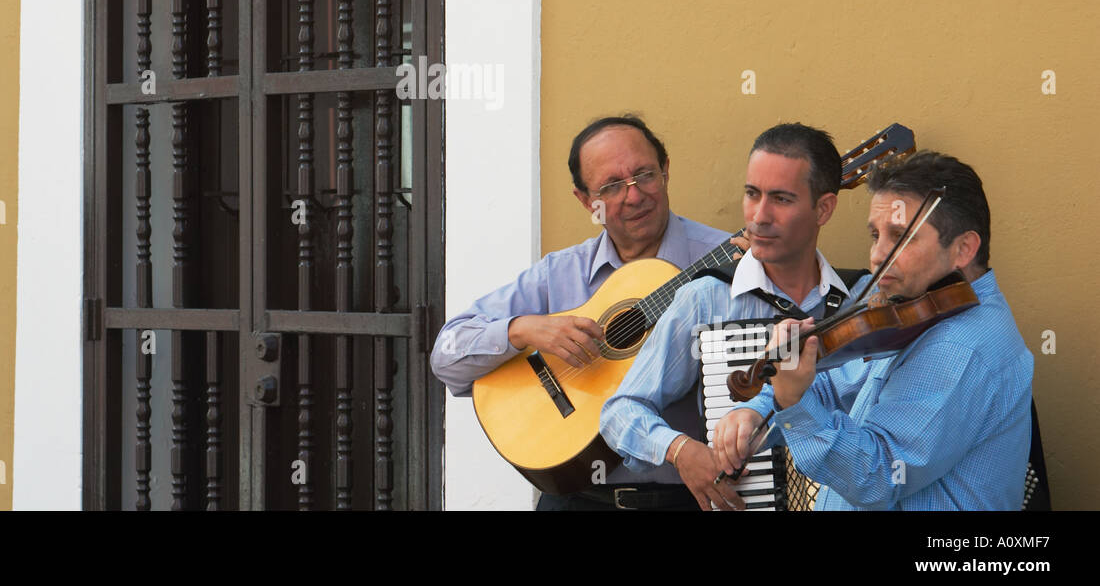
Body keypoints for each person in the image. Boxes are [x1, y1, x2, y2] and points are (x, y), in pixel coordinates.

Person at [430, 114, 730, 509]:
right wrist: (522, 330)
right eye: (611, 186)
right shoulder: (560, 273)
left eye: (645, 175)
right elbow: (446, 354)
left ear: (667, 171)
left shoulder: (728, 260)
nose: (634, 195)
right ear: (587, 201)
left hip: (690, 498)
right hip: (576, 497)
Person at [711, 150, 1033, 511]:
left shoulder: (963, 347)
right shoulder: (914, 309)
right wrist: (759, 407)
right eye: (875, 235)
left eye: (900, 237)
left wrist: (795, 405)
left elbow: (878, 475)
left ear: (963, 249)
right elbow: (837, 382)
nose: (878, 255)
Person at [599, 123, 872, 511]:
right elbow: (620, 411)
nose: (759, 216)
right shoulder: (704, 300)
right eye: (751, 194)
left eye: (780, 198)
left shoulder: (862, 302)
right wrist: (680, 450)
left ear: (823, 208)